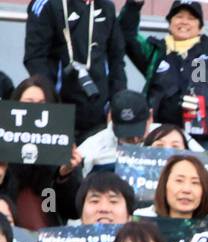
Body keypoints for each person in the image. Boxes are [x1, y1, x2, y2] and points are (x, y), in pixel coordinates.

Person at [119, 0, 208, 158]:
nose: (184, 22)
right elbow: (125, 33)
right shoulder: (155, 52)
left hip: (204, 139)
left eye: (191, 18)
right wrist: (134, 5)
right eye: (179, 16)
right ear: (170, 22)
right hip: (159, 138)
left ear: (200, 26)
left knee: (201, 181)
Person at [22, 0, 126, 140]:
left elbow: (116, 61)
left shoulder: (107, 7)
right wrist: (51, 104)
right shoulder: (47, 4)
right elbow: (35, 58)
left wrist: (117, 103)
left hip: (98, 113)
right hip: (60, 112)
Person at [2, 76, 83, 228]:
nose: (35, 111)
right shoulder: (2, 140)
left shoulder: (62, 145)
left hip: (47, 235)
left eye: (42, 104)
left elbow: (73, 210)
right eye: (28, 103)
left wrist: (64, 176)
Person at [78, 90, 152, 173]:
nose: (134, 140)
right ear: (110, 119)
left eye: (139, 135)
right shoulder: (91, 148)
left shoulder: (165, 139)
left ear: (150, 117)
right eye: (127, 137)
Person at [148, 153, 208, 220]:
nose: (186, 190)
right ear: (164, 185)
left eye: (195, 182)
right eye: (179, 181)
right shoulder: (142, 219)